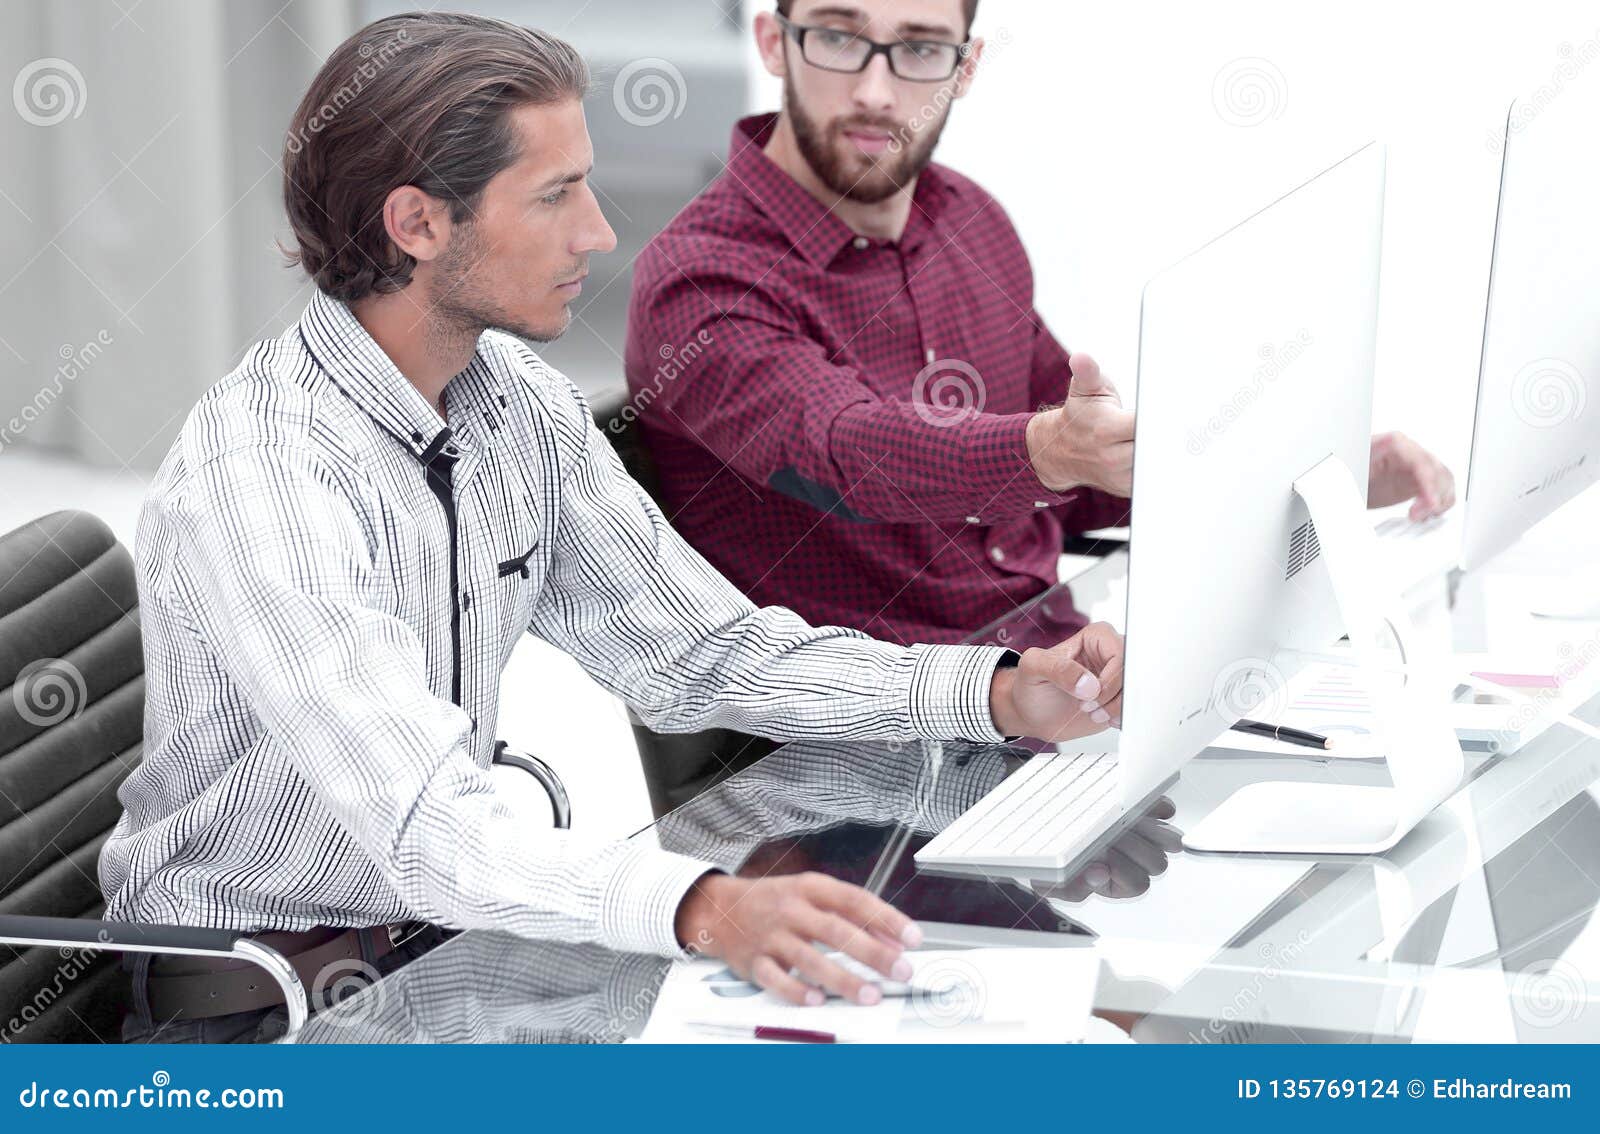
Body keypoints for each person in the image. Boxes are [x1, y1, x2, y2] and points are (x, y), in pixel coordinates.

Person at [99, 11, 1132, 1042]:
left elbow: (706, 655)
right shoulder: (267, 475)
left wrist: (997, 692)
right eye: (555, 195)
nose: (597, 231)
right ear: (417, 224)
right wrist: (702, 907)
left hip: (447, 947)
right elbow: (425, 825)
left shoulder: (515, 401)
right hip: (265, 1007)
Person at [625, 0, 1457, 652]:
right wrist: (1047, 451)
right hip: (871, 752)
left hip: (1061, 681)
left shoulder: (968, 221)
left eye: (920, 49)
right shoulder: (700, 280)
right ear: (774, 43)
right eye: (839, 38)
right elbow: (848, 453)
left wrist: (1310, 480)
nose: (876, 91)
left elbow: (1084, 475)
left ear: (964, 68)